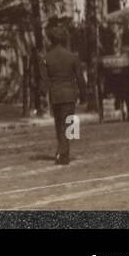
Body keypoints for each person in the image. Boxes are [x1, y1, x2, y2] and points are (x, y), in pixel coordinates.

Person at [42, 26, 87, 166]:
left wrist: (44, 94)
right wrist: (83, 93)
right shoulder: (73, 57)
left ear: (51, 40)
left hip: (55, 95)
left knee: (59, 123)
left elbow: (44, 80)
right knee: (68, 123)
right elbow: (80, 78)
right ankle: (63, 153)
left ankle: (63, 151)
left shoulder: (46, 58)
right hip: (69, 94)